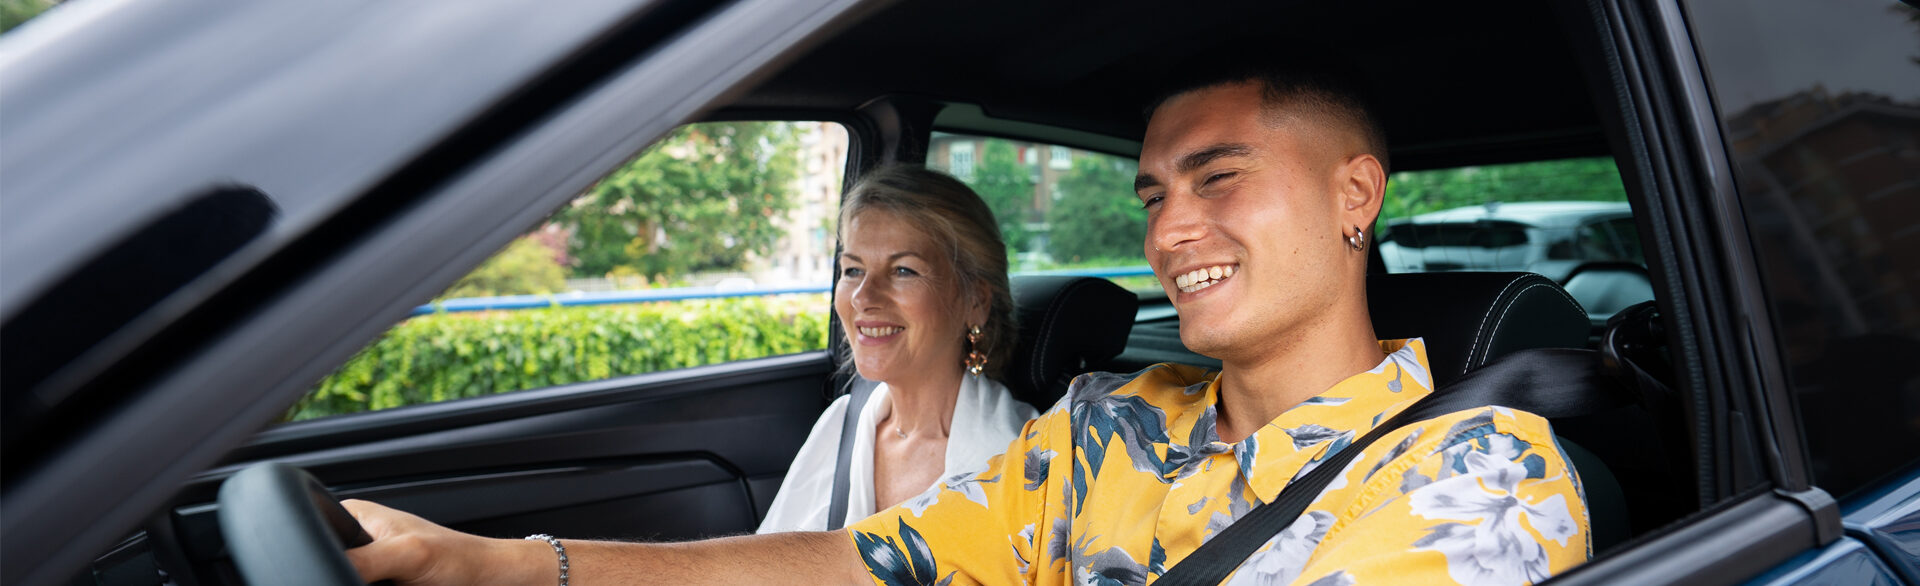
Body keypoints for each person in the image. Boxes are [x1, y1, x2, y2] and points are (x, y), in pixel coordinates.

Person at [344, 63, 1590, 585]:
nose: (1168, 232)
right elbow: (862, 559)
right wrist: (507, 562)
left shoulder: (1476, 480)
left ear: (1353, 197)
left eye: (1219, 179)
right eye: (1155, 195)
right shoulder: (1108, 422)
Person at [757, 165, 1037, 533]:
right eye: (853, 270)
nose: (863, 297)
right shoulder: (842, 424)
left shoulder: (1023, 459)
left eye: (903, 270)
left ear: (976, 301)